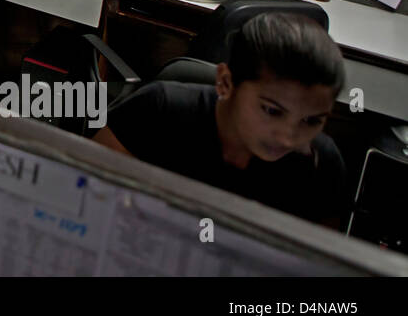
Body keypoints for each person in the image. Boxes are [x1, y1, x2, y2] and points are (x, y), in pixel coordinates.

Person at [93, 13, 348, 226]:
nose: (288, 136)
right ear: (225, 83)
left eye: (311, 121)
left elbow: (319, 259)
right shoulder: (159, 111)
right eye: (272, 111)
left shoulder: (320, 163)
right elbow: (87, 191)